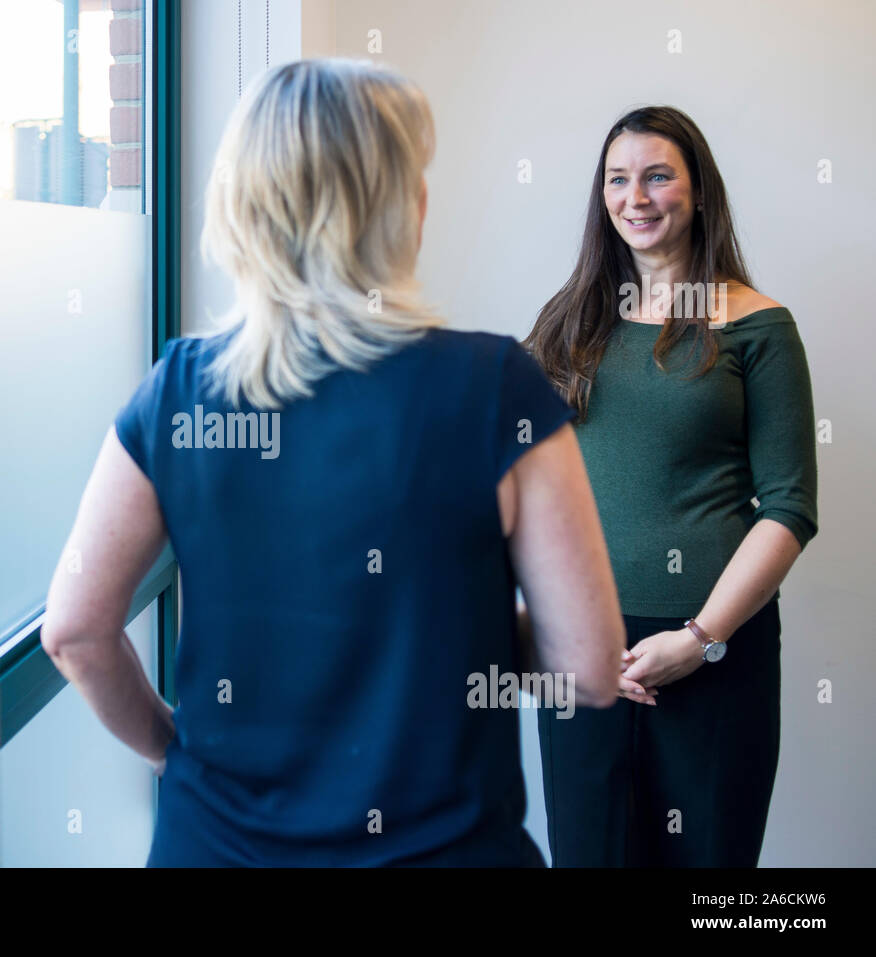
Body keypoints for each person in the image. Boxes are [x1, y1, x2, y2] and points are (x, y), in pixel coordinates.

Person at [41, 58, 623, 866]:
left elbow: (73, 631)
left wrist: (176, 757)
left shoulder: (176, 392)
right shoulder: (494, 388)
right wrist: (465, 619)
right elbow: (589, 667)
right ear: (399, 210)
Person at [524, 105, 819, 867]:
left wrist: (699, 639)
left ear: (698, 191)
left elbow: (788, 507)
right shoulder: (565, 323)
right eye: (618, 179)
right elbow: (516, 480)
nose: (636, 196)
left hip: (714, 656)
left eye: (658, 175)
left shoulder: (759, 326)